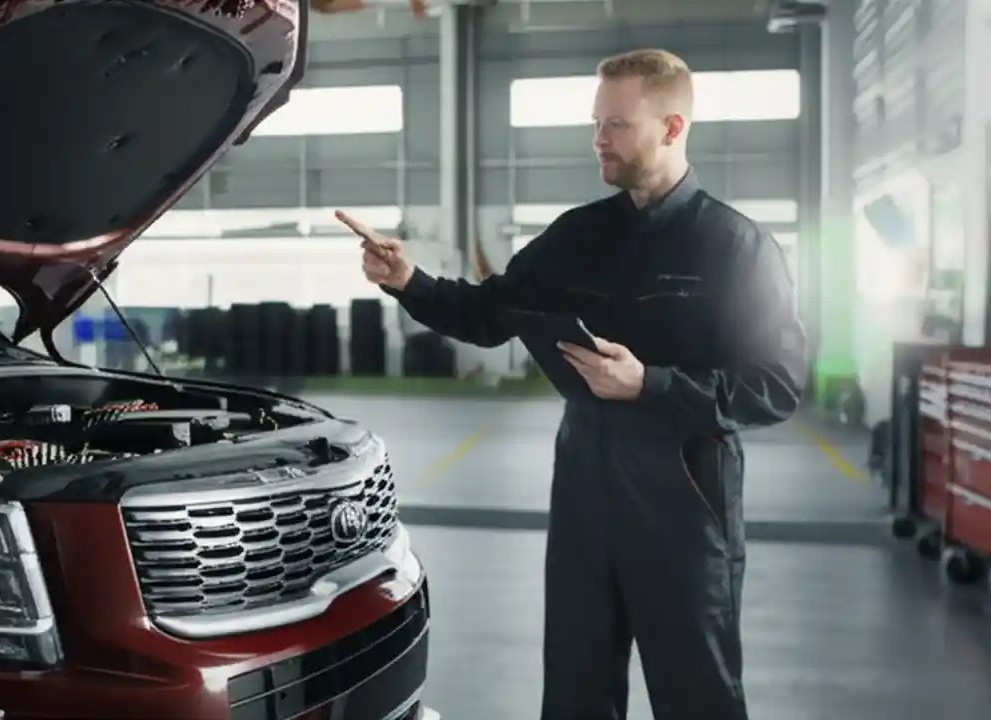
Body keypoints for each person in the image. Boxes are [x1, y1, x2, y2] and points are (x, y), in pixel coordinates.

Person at [337, 48, 808, 720]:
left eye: (616, 124)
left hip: (685, 498)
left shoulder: (736, 248)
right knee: (575, 690)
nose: (598, 138)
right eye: (596, 121)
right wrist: (408, 282)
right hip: (586, 487)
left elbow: (778, 384)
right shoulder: (577, 236)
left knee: (696, 693)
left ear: (673, 128)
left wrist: (652, 384)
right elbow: (488, 313)